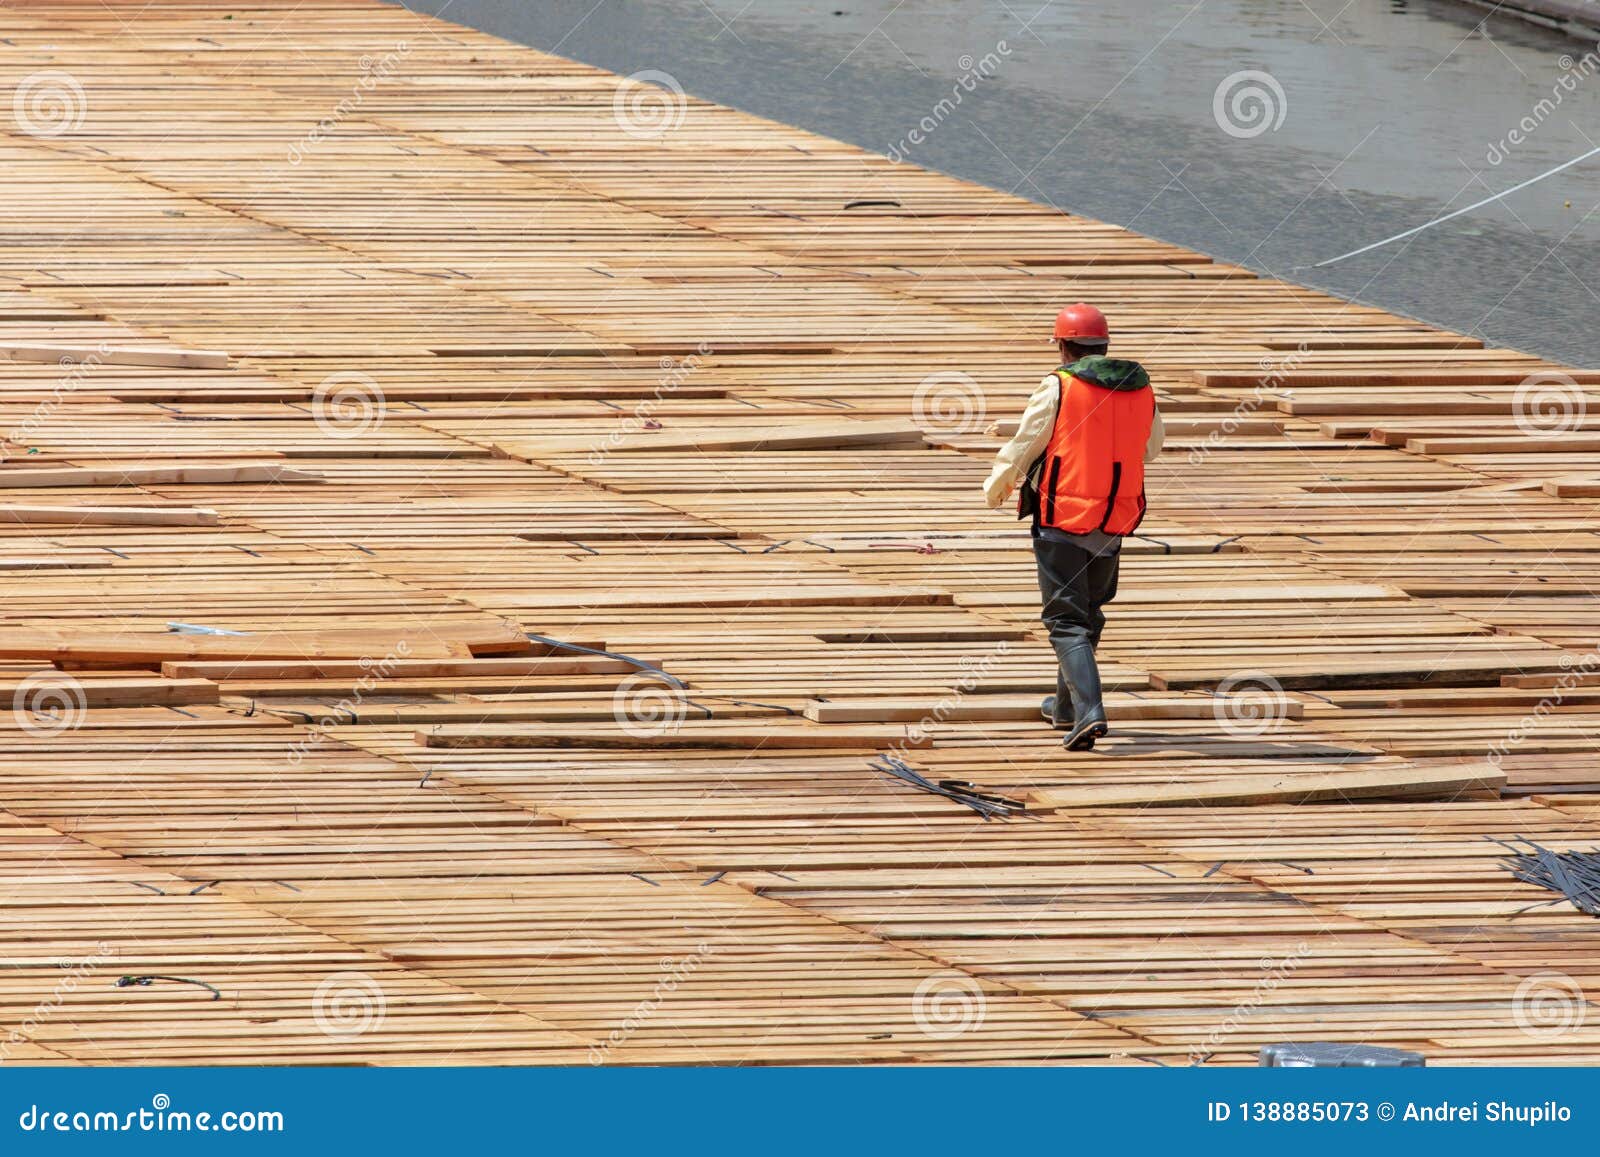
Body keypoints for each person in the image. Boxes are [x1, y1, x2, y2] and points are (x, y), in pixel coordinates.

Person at [982, 303, 1163, 751]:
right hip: (1114, 519)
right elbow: (1152, 449)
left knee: (1064, 619)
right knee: (1087, 614)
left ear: (1064, 346)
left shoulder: (1058, 386)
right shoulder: (1140, 387)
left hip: (1063, 517)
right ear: (1104, 345)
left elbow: (1026, 443)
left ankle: (1089, 712)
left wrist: (998, 486)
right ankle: (1066, 708)